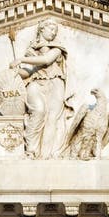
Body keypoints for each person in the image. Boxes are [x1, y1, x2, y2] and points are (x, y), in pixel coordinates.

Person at [10, 18, 70, 158]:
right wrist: (15, 71)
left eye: (55, 30)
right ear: (41, 29)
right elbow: (27, 72)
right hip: (36, 81)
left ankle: (46, 155)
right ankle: (31, 151)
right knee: (38, 110)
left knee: (52, 118)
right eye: (51, 29)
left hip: (55, 82)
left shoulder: (57, 49)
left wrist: (21, 59)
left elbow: (46, 60)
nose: (54, 33)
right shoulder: (31, 51)